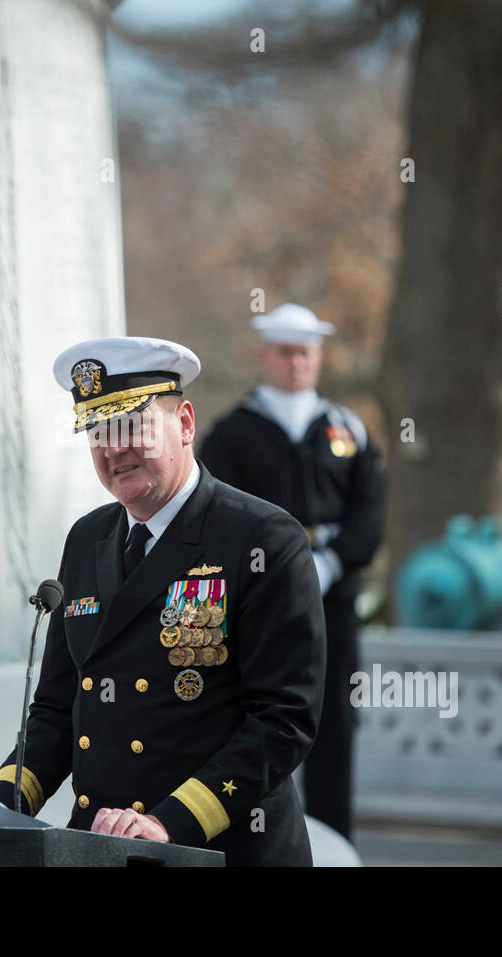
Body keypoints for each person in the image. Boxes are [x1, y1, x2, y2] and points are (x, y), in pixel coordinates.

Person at [0, 336, 326, 866]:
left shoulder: (262, 538)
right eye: (97, 432)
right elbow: (56, 708)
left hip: (219, 847)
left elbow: (283, 720)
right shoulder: (87, 539)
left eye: (131, 426)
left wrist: (169, 822)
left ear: (185, 423)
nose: (113, 449)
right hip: (102, 846)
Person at [198, 304, 385, 842]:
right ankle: (260, 838)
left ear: (319, 357)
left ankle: (335, 840)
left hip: (333, 596)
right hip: (259, 594)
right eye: (285, 352)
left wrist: (332, 563)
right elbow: (219, 511)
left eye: (306, 352)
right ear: (264, 356)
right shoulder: (234, 432)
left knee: (334, 721)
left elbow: (370, 509)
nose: (296, 362)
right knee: (255, 715)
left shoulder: (345, 428)